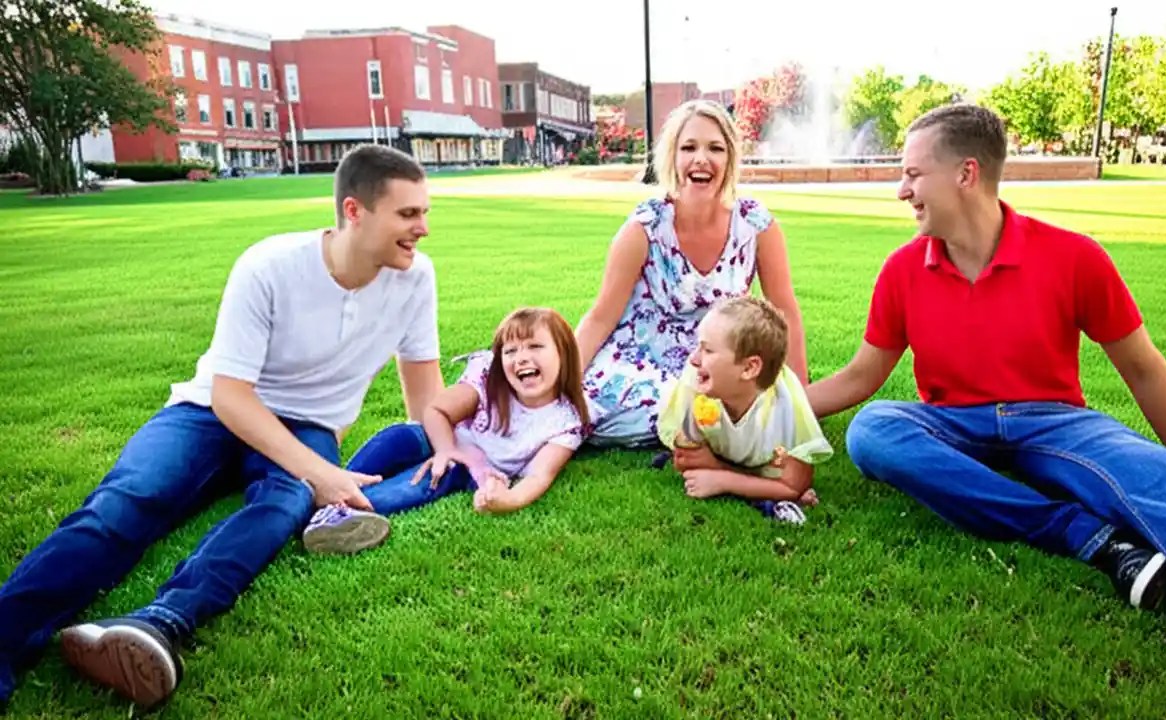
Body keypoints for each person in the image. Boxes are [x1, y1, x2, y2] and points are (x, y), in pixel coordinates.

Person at [807, 103, 1166, 720]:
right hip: (953, 424)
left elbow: (1142, 367)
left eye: (913, 174)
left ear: (966, 174)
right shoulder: (903, 270)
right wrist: (760, 411)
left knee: (1164, 483)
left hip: (1056, 423)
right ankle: (1086, 535)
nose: (902, 190)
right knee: (874, 432)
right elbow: (862, 378)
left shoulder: (1073, 256)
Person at [0, 144, 445, 710]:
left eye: (424, 213)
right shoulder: (270, 265)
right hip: (209, 411)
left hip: (309, 422)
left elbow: (424, 391)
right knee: (128, 500)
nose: (424, 228)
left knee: (283, 505)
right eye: (409, 214)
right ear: (355, 212)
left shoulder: (415, 279)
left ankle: (158, 622)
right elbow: (232, 397)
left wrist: (450, 446)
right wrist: (323, 476)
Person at [575, 99, 808, 449]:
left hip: (719, 357)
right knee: (654, 412)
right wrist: (561, 386)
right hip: (643, 357)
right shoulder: (645, 227)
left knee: (750, 404)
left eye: (715, 148)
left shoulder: (756, 225)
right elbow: (600, 317)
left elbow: (785, 311)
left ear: (729, 158)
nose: (701, 158)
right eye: (689, 147)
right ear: (673, 157)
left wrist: (799, 397)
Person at [300, 307, 592, 554]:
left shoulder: (565, 420)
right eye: (510, 350)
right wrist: (446, 448)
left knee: (415, 485)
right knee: (396, 438)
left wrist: (509, 499)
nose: (521, 358)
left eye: (535, 346)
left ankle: (337, 514)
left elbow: (540, 475)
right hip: (435, 438)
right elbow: (437, 411)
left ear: (564, 354)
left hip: (463, 468)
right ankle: (327, 487)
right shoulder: (489, 383)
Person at [656, 296, 832, 525]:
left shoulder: (785, 406)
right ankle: (759, 486)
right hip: (744, 458)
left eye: (708, 350)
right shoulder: (697, 383)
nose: (694, 359)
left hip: (764, 455)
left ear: (749, 368)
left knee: (779, 474)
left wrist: (721, 477)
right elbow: (685, 462)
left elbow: (793, 486)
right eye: (698, 347)